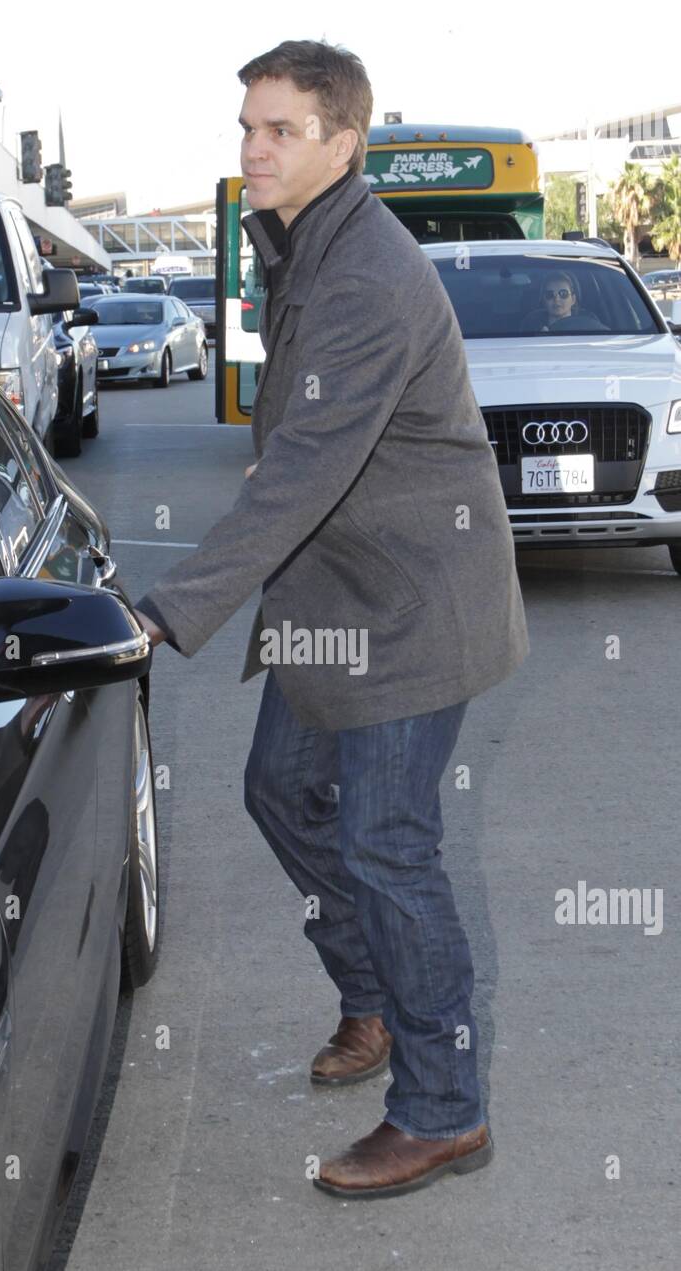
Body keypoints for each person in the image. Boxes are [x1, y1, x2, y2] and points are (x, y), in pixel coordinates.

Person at [133, 39, 529, 1200]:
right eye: (246, 127)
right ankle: (371, 992)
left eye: (278, 131)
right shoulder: (301, 240)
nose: (250, 149)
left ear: (341, 143)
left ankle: (443, 1108)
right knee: (279, 790)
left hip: (412, 607)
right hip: (342, 598)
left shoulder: (361, 277)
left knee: (386, 843)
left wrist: (164, 612)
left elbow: (299, 472)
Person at [520, 268, 608, 333]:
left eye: (563, 294)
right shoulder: (531, 325)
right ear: (544, 300)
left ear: (573, 299)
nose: (556, 299)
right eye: (550, 295)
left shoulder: (589, 323)